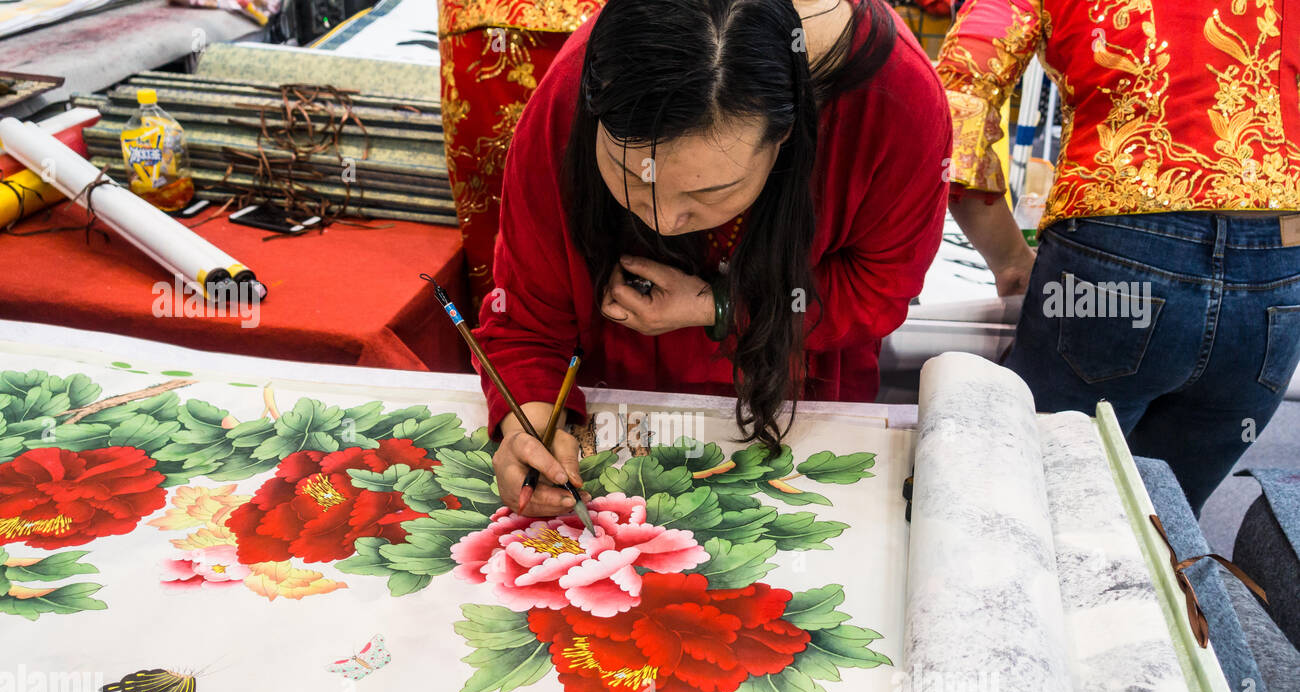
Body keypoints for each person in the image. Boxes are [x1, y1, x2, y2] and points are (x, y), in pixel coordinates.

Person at [473, 0, 952, 516]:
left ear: (785, 135)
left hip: (798, 406)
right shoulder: (581, 84)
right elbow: (527, 318)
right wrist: (532, 425)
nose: (660, 220)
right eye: (628, 176)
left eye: (708, 193)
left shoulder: (896, 102)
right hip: (613, 408)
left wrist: (720, 307)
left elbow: (877, 289)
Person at [938, 0, 1300, 514]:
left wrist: (1010, 261)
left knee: (1033, 503)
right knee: (1165, 523)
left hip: (1116, 255)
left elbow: (955, 104)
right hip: (1276, 273)